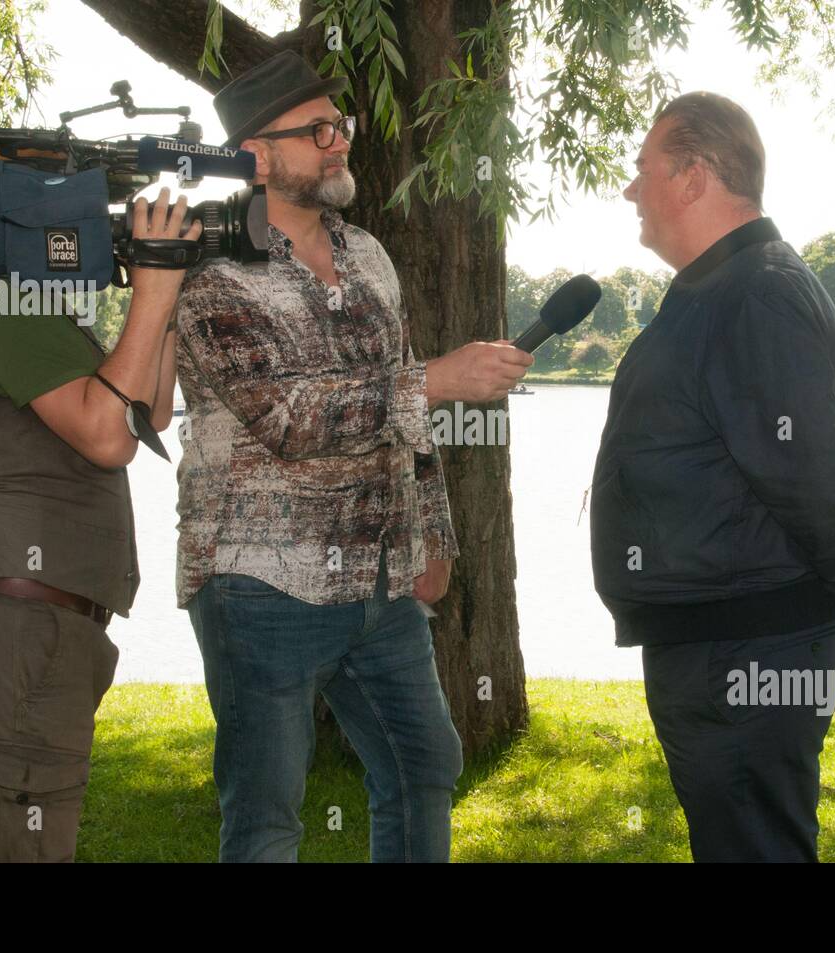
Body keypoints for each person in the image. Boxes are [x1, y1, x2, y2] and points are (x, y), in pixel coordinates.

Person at [173, 51, 534, 863]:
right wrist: (437, 378)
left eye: (341, 126)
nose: (340, 143)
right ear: (255, 156)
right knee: (266, 820)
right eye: (318, 131)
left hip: (380, 579)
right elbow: (291, 418)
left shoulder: (369, 252)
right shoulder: (210, 271)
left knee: (425, 764)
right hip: (260, 583)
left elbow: (409, 417)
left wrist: (432, 534)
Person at [590, 91, 835, 862]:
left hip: (744, 655)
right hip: (727, 643)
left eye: (644, 170)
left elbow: (801, 464)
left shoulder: (754, 293)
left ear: (694, 176)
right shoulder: (722, 286)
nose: (631, 189)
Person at [0, 184, 201, 862]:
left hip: (29, 627)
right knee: (11, 848)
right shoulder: (4, 305)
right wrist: (153, 281)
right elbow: (106, 434)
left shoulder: (28, 307)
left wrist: (169, 295)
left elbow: (143, 413)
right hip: (17, 629)